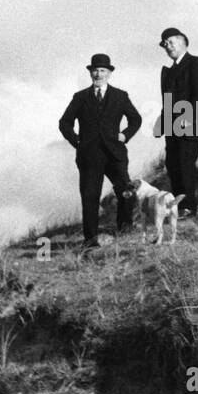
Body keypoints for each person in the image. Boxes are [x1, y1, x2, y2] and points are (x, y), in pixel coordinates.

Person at [57, 53, 141, 249]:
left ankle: (125, 230)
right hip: (89, 155)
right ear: (90, 73)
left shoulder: (121, 96)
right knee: (90, 196)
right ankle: (91, 239)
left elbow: (135, 119)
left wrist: (125, 135)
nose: (98, 74)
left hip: (115, 154)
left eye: (102, 70)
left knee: (126, 192)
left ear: (109, 73)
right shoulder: (80, 97)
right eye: (95, 70)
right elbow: (65, 123)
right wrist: (77, 141)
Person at [154, 27, 198, 215]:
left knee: (185, 164)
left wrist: (189, 119)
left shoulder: (195, 63)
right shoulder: (169, 71)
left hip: (190, 124)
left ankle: (189, 207)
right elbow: (168, 101)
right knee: (173, 165)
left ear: (183, 41)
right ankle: (180, 207)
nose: (168, 46)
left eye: (171, 42)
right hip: (173, 126)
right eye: (165, 44)